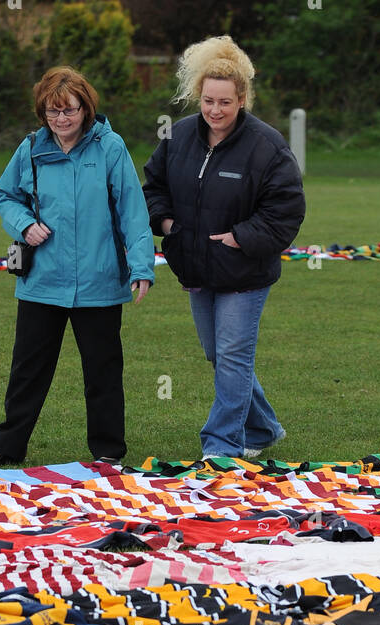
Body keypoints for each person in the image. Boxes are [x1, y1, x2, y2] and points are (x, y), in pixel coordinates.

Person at [0, 67, 154, 468]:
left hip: (100, 281)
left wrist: (142, 267)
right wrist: (24, 225)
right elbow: (5, 195)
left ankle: (108, 453)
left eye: (68, 111)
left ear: (86, 108)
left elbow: (132, 212)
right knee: (27, 370)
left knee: (103, 371)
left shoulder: (111, 148)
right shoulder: (31, 147)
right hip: (42, 281)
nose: (61, 120)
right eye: (52, 112)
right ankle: (7, 446)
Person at [143, 36, 305, 461]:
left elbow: (286, 210)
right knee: (219, 354)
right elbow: (152, 187)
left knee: (233, 356)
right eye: (209, 100)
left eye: (226, 102)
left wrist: (241, 238)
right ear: (199, 95)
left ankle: (222, 445)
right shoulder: (177, 137)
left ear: (243, 99)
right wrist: (165, 222)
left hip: (244, 273)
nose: (216, 111)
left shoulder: (267, 146)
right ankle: (264, 427)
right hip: (196, 270)